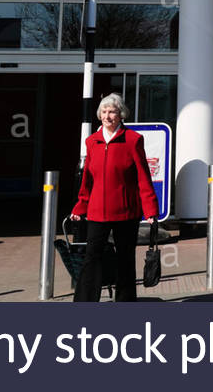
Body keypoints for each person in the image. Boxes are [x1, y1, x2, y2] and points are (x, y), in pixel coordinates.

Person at [69, 94, 159, 302]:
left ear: (121, 115)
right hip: (97, 213)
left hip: (126, 212)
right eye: (104, 112)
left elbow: (143, 178)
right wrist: (80, 207)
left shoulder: (133, 140)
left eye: (112, 112)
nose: (107, 116)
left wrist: (151, 211)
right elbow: (88, 180)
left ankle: (126, 303)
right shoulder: (92, 141)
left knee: (125, 259)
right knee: (92, 257)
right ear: (99, 115)